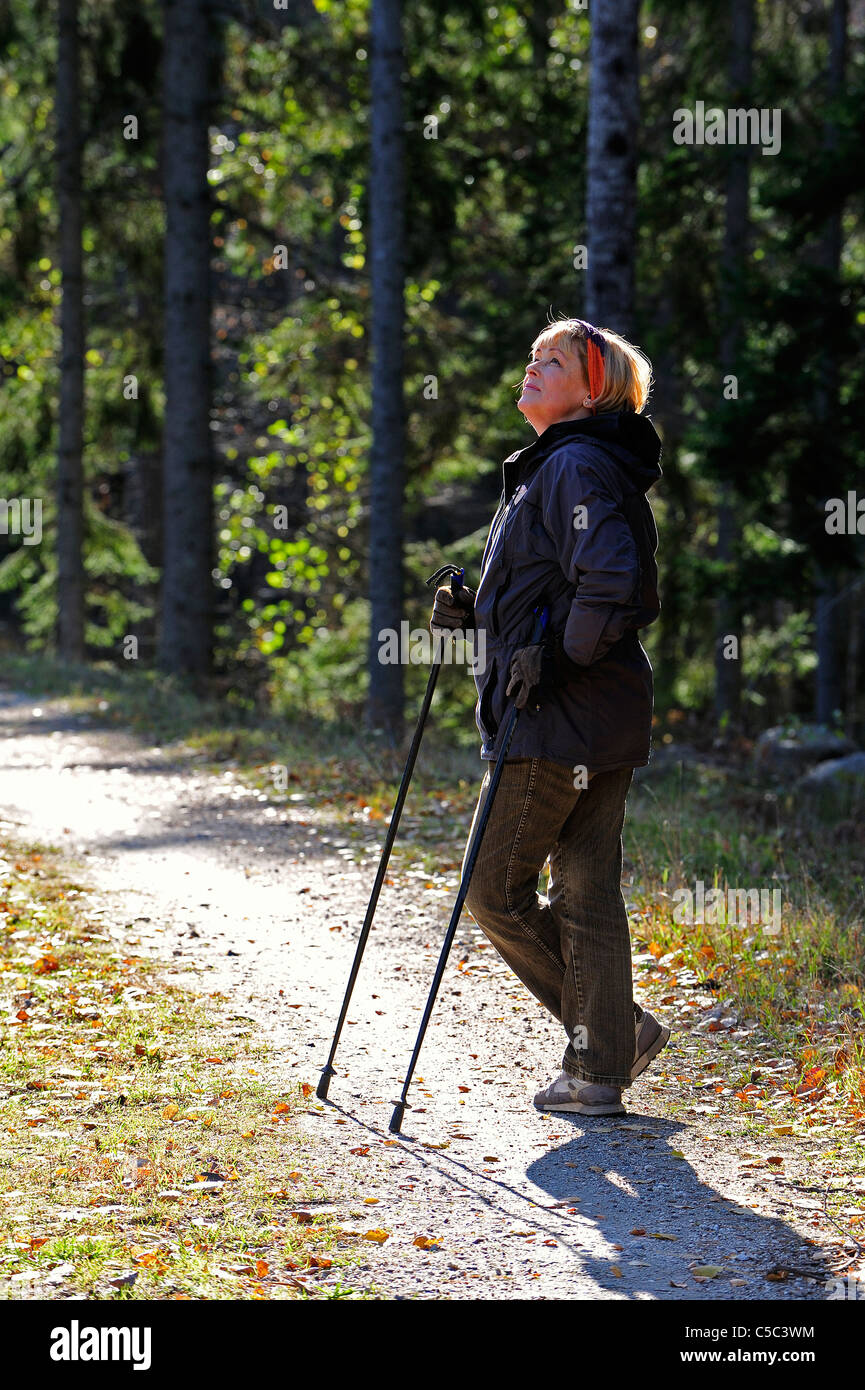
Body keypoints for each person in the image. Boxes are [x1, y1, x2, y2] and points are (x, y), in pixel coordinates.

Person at [429, 316, 670, 1116]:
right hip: (598, 716)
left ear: (591, 388)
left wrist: (559, 661)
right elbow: (569, 587)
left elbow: (614, 583)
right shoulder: (566, 466)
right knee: (587, 891)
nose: (530, 368)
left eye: (552, 361)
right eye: (530, 355)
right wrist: (480, 617)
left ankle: (610, 1036)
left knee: (493, 890)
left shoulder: (570, 465)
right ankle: (602, 1064)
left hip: (557, 717)